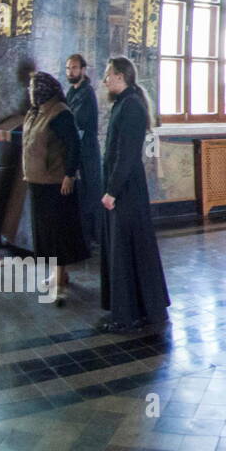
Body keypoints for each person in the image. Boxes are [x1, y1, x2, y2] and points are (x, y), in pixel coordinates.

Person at [0, 72, 89, 303]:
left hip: (56, 183)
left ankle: (59, 276)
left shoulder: (59, 113)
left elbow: (74, 145)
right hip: (38, 181)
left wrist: (69, 175)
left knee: (58, 231)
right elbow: (28, 138)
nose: (30, 92)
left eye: (34, 87)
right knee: (46, 232)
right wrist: (6, 136)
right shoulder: (35, 112)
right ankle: (58, 272)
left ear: (44, 89)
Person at [98, 56, 169, 333]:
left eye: (108, 75)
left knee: (126, 251)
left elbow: (126, 155)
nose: (105, 81)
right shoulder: (123, 104)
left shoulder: (131, 107)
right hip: (123, 186)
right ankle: (135, 310)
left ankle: (128, 315)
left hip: (126, 189)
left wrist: (112, 191)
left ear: (120, 76)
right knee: (126, 249)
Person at [64, 54, 104, 269]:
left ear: (83, 69)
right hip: (77, 151)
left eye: (74, 68)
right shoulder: (72, 92)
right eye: (68, 68)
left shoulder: (86, 94)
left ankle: (91, 242)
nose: (70, 72)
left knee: (89, 197)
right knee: (81, 198)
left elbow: (77, 124)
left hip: (86, 153)